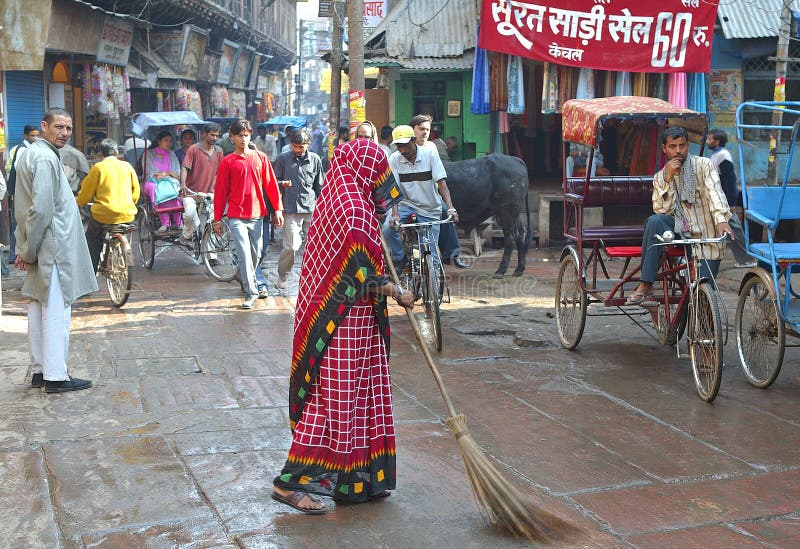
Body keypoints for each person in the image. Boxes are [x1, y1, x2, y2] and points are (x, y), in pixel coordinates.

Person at [272, 138, 414, 514]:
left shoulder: (337, 197)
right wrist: (397, 291)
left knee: (357, 398)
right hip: (342, 324)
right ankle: (291, 483)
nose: (381, 183)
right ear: (367, 170)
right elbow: (361, 273)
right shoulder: (353, 209)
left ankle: (356, 479)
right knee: (333, 403)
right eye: (378, 173)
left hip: (344, 319)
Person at [14, 108, 97, 393]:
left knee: (38, 307)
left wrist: (24, 246)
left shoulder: (33, 154)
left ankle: (39, 370)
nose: (64, 133)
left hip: (40, 244)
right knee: (56, 312)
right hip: (52, 247)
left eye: (68, 129)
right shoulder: (46, 158)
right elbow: (41, 210)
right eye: (59, 127)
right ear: (44, 126)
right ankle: (55, 375)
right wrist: (29, 251)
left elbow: (23, 205)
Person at [628, 127, 733, 305]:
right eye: (673, 146)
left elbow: (716, 193)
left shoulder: (704, 165)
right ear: (664, 148)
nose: (678, 151)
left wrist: (721, 220)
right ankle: (646, 283)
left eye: (682, 146)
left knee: (704, 295)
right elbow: (661, 210)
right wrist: (668, 179)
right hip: (677, 231)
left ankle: (705, 330)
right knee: (654, 221)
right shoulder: (660, 177)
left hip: (705, 234)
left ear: (688, 145)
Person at [214, 119, 284, 309]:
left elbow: (271, 185)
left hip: (258, 215)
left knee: (257, 253)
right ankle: (251, 291)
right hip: (236, 216)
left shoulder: (260, 158)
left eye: (246, 135)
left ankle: (246, 276)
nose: (243, 139)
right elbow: (220, 192)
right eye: (239, 136)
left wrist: (277, 209)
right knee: (244, 254)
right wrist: (217, 219)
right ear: (232, 137)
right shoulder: (228, 161)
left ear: (249, 135)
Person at [382, 125, 460, 270]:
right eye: (399, 147)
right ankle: (400, 258)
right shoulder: (394, 158)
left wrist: (450, 208)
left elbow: (442, 184)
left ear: (413, 140)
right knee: (387, 228)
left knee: (431, 253)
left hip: (429, 207)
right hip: (405, 204)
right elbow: (393, 188)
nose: (402, 150)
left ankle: (434, 288)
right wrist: (394, 214)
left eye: (405, 146)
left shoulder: (430, 154)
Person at [409, 114, 468, 269]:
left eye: (427, 129)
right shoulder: (402, 148)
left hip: (429, 197)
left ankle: (452, 254)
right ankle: (398, 259)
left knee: (444, 213)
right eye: (421, 129)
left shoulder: (431, 147)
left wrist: (450, 206)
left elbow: (441, 181)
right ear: (412, 130)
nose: (425, 132)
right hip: (407, 200)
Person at [76, 139, 140, 272]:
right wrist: (129, 204)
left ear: (101, 154)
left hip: (103, 215)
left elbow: (86, 193)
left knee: (92, 241)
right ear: (117, 152)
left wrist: (79, 202)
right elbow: (136, 192)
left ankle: (90, 275)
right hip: (127, 214)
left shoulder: (98, 168)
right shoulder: (127, 166)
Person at [273, 128, 324, 289]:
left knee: (315, 246)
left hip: (311, 208)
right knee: (292, 247)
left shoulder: (315, 160)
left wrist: (322, 208)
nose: (297, 150)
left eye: (301, 147)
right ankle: (283, 276)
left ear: (308, 145)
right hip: (290, 208)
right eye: (295, 146)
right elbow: (274, 182)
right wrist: (282, 184)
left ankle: (315, 277)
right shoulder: (283, 159)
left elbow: (319, 186)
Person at [706, 128, 755, 269]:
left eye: (710, 139)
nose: (708, 141)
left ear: (717, 141)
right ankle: (744, 258)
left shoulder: (723, 155)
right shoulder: (716, 155)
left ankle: (748, 258)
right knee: (730, 230)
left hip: (724, 201)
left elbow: (730, 180)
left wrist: (731, 202)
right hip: (717, 199)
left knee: (734, 230)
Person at [179, 122, 223, 246]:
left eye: (216, 136)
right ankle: (186, 236)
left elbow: (218, 172)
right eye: (212, 135)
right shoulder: (194, 149)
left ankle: (212, 255)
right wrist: (183, 184)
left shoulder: (219, 151)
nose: (214, 138)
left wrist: (215, 189)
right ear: (204, 134)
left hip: (208, 194)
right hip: (191, 192)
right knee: (190, 213)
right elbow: (184, 167)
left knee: (212, 221)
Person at [4, 125, 40, 264]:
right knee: (19, 224)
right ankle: (14, 255)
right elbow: (23, 173)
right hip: (20, 193)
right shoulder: (23, 150)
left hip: (23, 193)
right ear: (25, 136)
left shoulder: (30, 150)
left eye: (37, 135)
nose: (35, 138)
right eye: (32, 136)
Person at [141, 131, 183, 233]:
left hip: (169, 180)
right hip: (152, 181)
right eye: (166, 141)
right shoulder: (149, 154)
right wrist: (167, 174)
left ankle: (178, 222)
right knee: (156, 189)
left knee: (175, 189)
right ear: (159, 141)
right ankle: (165, 223)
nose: (168, 143)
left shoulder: (172, 154)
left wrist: (165, 175)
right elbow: (150, 172)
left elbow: (176, 172)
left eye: (170, 141)